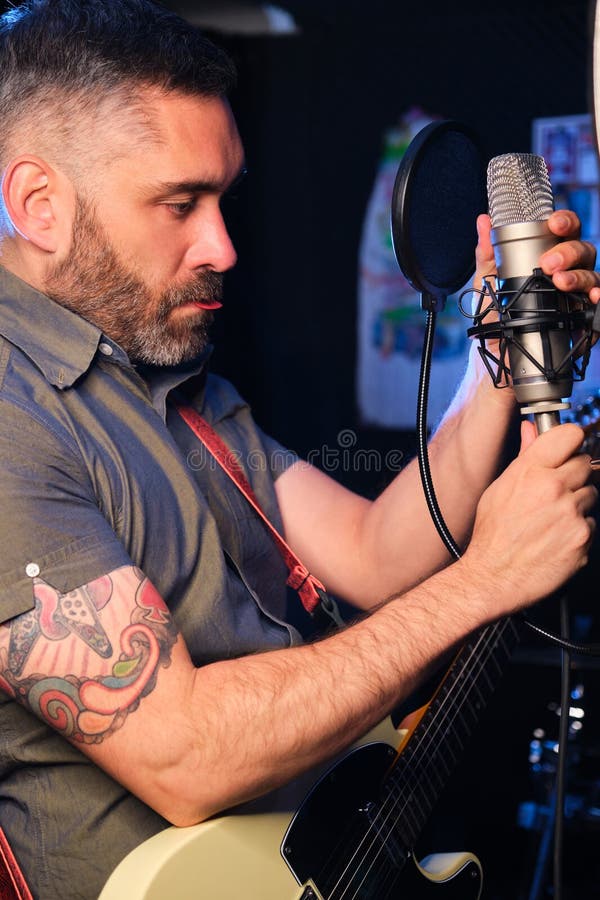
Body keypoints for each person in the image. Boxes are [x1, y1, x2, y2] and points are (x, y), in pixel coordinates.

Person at [0, 1, 597, 897]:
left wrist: (505, 362)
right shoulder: (15, 416)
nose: (224, 245)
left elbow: (376, 554)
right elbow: (187, 754)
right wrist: (488, 579)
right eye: (180, 203)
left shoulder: (171, 382)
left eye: (224, 198)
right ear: (39, 205)